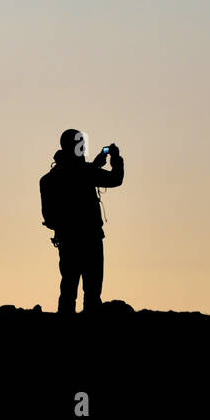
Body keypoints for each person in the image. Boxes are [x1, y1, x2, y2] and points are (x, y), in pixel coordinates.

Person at [39, 129, 124, 314]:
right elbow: (116, 179)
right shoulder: (87, 172)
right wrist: (116, 159)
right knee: (92, 293)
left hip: (67, 241)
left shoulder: (49, 179)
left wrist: (94, 165)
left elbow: (50, 214)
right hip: (90, 239)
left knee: (68, 290)